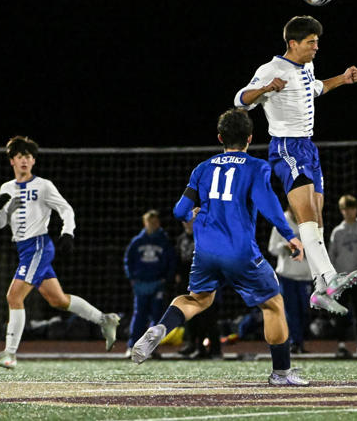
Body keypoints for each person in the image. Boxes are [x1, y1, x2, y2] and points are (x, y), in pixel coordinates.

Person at [131, 109, 308, 386]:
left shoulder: (202, 168)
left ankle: (162, 327)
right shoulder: (256, 166)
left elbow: (179, 211)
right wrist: (290, 235)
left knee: (198, 299)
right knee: (273, 305)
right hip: (239, 252)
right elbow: (269, 205)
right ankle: (281, 374)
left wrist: (194, 215)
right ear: (249, 138)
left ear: (219, 137)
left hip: (205, 252)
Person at [233, 15, 357, 315]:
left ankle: (319, 290)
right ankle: (330, 277)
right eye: (311, 42)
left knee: (317, 218)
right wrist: (265, 89)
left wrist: (341, 79)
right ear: (293, 43)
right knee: (306, 216)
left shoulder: (306, 67)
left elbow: (315, 89)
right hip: (287, 147)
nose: (316, 46)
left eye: (317, 41)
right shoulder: (272, 69)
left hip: (308, 147)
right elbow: (241, 100)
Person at [0, 136, 120, 369]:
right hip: (23, 248)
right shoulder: (6, 188)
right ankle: (104, 319)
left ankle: (9, 354)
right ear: (12, 161)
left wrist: (68, 232)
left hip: (38, 246)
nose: (24, 161)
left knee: (13, 296)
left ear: (34, 161)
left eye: (28, 156)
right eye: (19, 157)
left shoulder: (43, 185)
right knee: (57, 300)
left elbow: (66, 209)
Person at [123, 209, 177, 358]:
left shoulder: (164, 241)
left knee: (157, 317)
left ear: (158, 223)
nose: (152, 225)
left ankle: (150, 349)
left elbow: (171, 262)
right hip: (141, 284)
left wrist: (166, 279)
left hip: (157, 284)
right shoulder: (137, 241)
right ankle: (132, 346)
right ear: (144, 223)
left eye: (155, 222)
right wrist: (132, 278)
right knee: (139, 315)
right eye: (149, 222)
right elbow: (128, 261)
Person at [328, 195, 357, 356]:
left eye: (351, 208)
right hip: (341, 280)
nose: (348, 212)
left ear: (356, 209)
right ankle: (341, 345)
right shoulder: (337, 232)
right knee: (340, 313)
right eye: (345, 209)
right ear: (341, 211)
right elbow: (331, 255)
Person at [268, 205, 313, 354]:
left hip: (305, 275)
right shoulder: (281, 223)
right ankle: (294, 343)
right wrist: (285, 246)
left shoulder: (308, 222)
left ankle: (300, 341)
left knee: (305, 311)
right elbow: (272, 248)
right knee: (291, 311)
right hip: (287, 276)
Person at [174, 219, 222, 358]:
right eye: (186, 221)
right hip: (187, 282)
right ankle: (195, 346)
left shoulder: (206, 236)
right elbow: (177, 259)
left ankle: (215, 350)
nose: (187, 223)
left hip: (205, 281)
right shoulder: (181, 239)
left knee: (209, 317)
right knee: (190, 316)